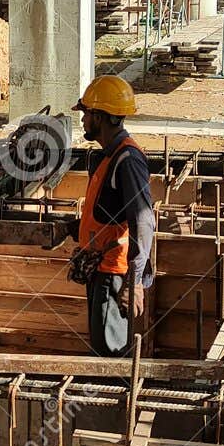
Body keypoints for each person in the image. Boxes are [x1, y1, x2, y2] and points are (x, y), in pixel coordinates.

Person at [70, 75, 153, 358]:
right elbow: (106, 216)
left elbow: (143, 222)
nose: (83, 121)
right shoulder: (109, 156)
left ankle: (112, 401)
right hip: (101, 270)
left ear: (102, 117)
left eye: (86, 114)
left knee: (110, 355)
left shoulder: (127, 161)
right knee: (103, 348)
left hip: (114, 274)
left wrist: (134, 282)